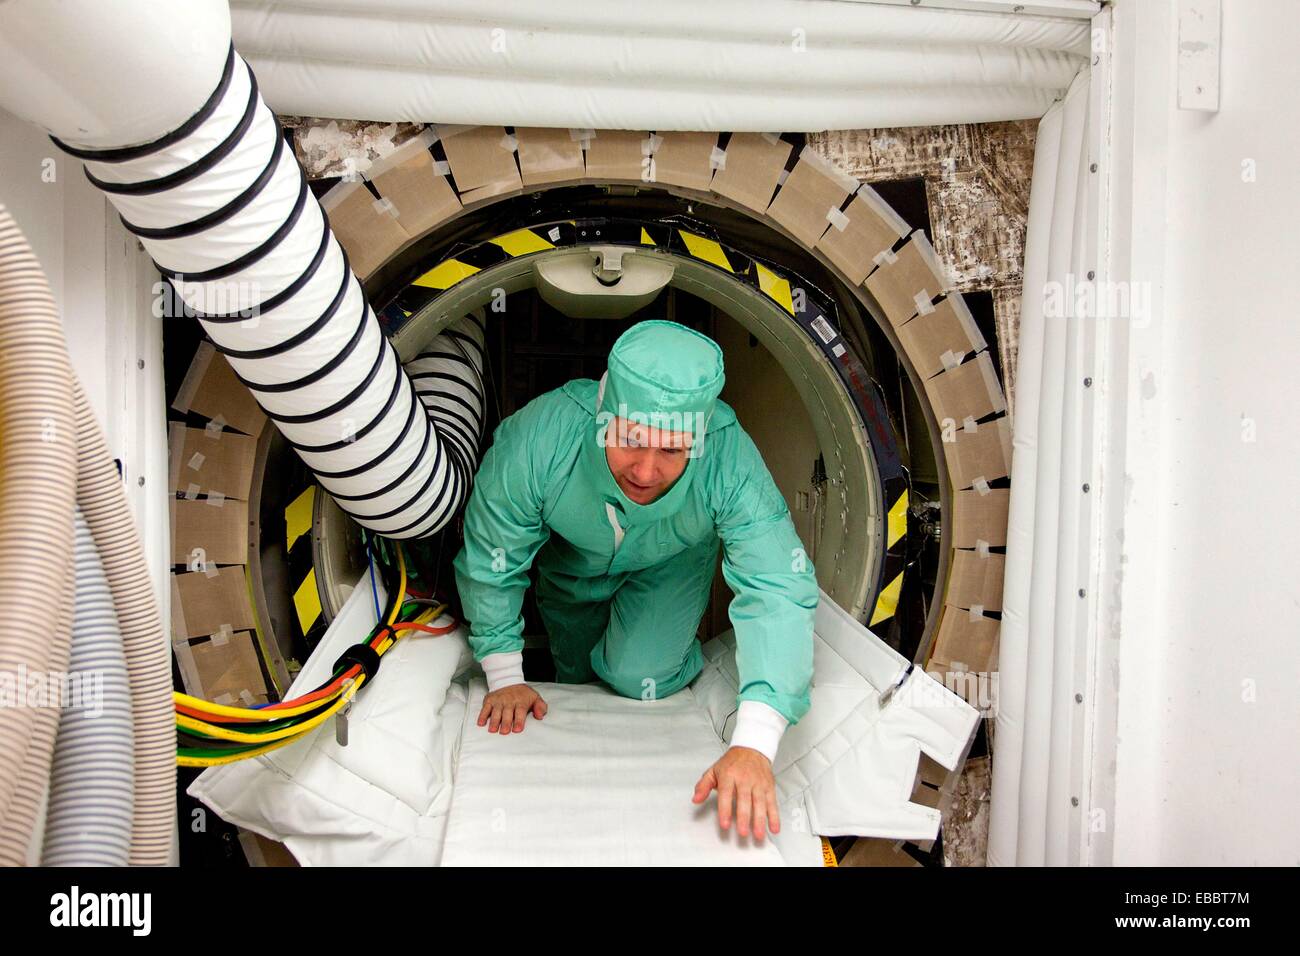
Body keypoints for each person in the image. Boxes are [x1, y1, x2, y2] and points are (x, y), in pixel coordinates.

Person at [451, 319, 817, 842]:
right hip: (571, 571)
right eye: (631, 441)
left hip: (671, 564)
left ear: (698, 436)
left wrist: (755, 742)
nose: (646, 472)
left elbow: (779, 582)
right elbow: (494, 552)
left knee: (634, 675)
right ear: (605, 417)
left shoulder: (727, 456)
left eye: (673, 450)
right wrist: (505, 673)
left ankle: (671, 648)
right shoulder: (543, 436)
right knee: (573, 680)